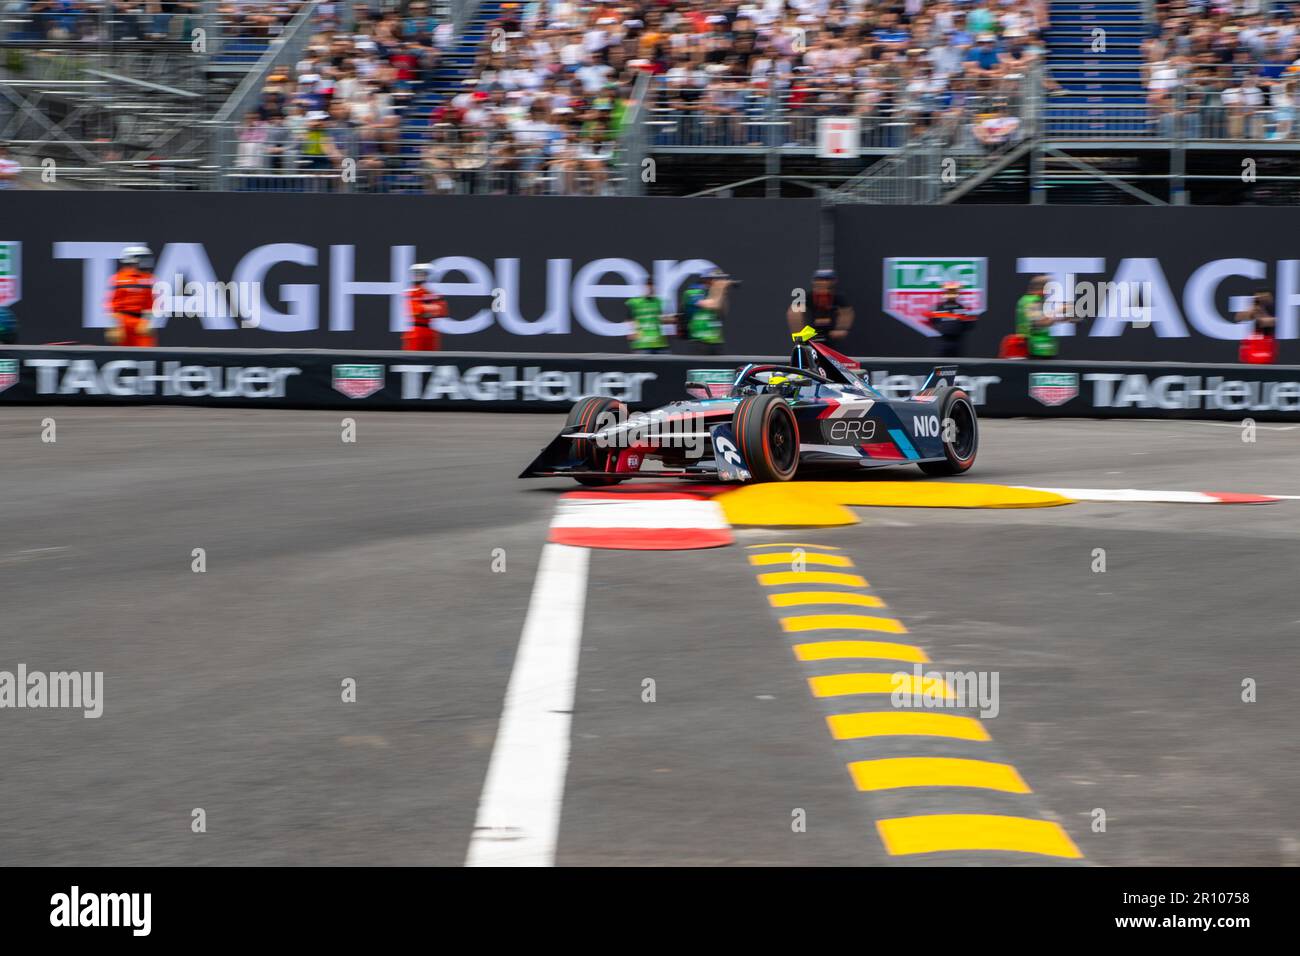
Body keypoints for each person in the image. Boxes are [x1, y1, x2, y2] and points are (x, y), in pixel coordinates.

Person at [105, 246, 158, 347]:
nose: (146, 262)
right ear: (131, 259)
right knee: (122, 355)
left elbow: (150, 304)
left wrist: (146, 322)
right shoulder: (118, 278)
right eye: (143, 258)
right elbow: (112, 306)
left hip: (140, 321)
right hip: (122, 321)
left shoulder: (149, 278)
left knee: (146, 353)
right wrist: (114, 326)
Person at [789, 269, 853, 341]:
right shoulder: (809, 297)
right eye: (819, 280)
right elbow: (794, 313)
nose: (823, 282)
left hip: (832, 334)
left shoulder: (836, 297)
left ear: (833, 282)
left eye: (826, 280)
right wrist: (799, 331)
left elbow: (846, 312)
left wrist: (841, 328)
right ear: (814, 282)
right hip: (812, 332)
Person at [678, 270, 730, 355]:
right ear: (708, 280)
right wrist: (719, 290)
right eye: (716, 279)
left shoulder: (715, 294)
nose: (718, 282)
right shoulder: (692, 292)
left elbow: (722, 312)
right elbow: (709, 304)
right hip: (700, 341)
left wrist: (724, 294)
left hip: (716, 341)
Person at [1015, 275, 1067, 359]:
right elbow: (1039, 323)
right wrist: (1059, 311)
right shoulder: (1034, 301)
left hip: (1029, 348)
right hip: (1036, 349)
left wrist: (1064, 318)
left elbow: (1041, 319)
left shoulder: (1025, 300)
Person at [926, 280, 976, 357]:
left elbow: (969, 324)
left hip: (957, 342)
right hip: (942, 342)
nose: (951, 293)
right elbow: (933, 321)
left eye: (954, 291)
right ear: (945, 292)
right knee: (940, 365)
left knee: (956, 365)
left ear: (958, 292)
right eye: (949, 291)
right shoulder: (938, 308)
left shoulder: (963, 308)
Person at [402, 263, 445, 352]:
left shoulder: (432, 293)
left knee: (432, 360)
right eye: (417, 274)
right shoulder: (412, 292)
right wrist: (431, 308)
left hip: (429, 333)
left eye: (423, 274)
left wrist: (426, 308)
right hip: (416, 332)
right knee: (413, 361)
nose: (419, 276)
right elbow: (417, 312)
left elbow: (442, 311)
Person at [625, 282, 669, 353]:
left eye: (653, 288)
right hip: (642, 345)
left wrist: (670, 319)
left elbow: (665, 319)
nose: (651, 290)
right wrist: (631, 331)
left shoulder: (659, 301)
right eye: (649, 288)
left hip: (659, 344)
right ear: (644, 288)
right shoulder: (635, 302)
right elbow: (629, 318)